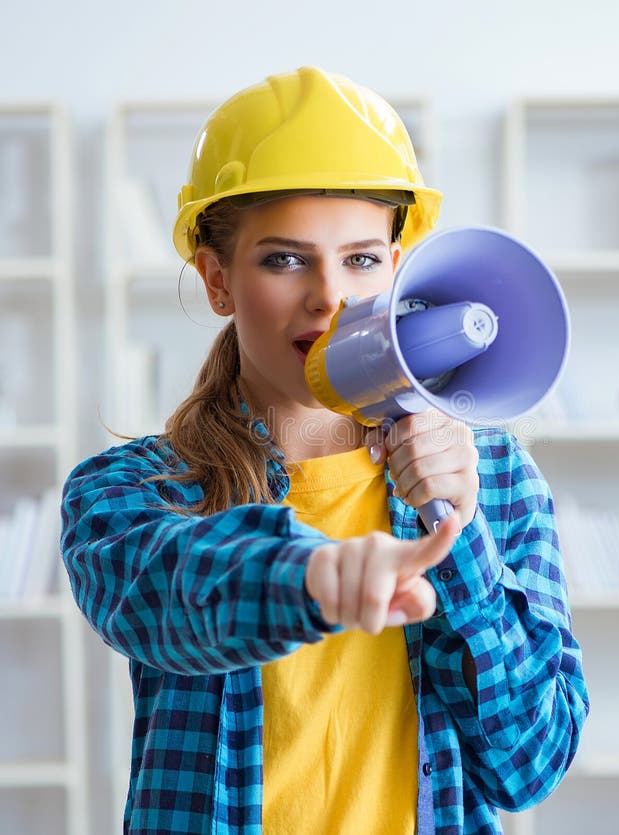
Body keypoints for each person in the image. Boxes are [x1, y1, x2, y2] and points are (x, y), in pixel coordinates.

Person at [61, 66, 588, 835]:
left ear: (397, 268)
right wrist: (311, 577)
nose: (329, 295)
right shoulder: (132, 489)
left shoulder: (494, 479)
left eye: (362, 259)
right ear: (216, 279)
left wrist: (462, 535)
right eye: (284, 258)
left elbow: (529, 767)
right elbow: (159, 602)